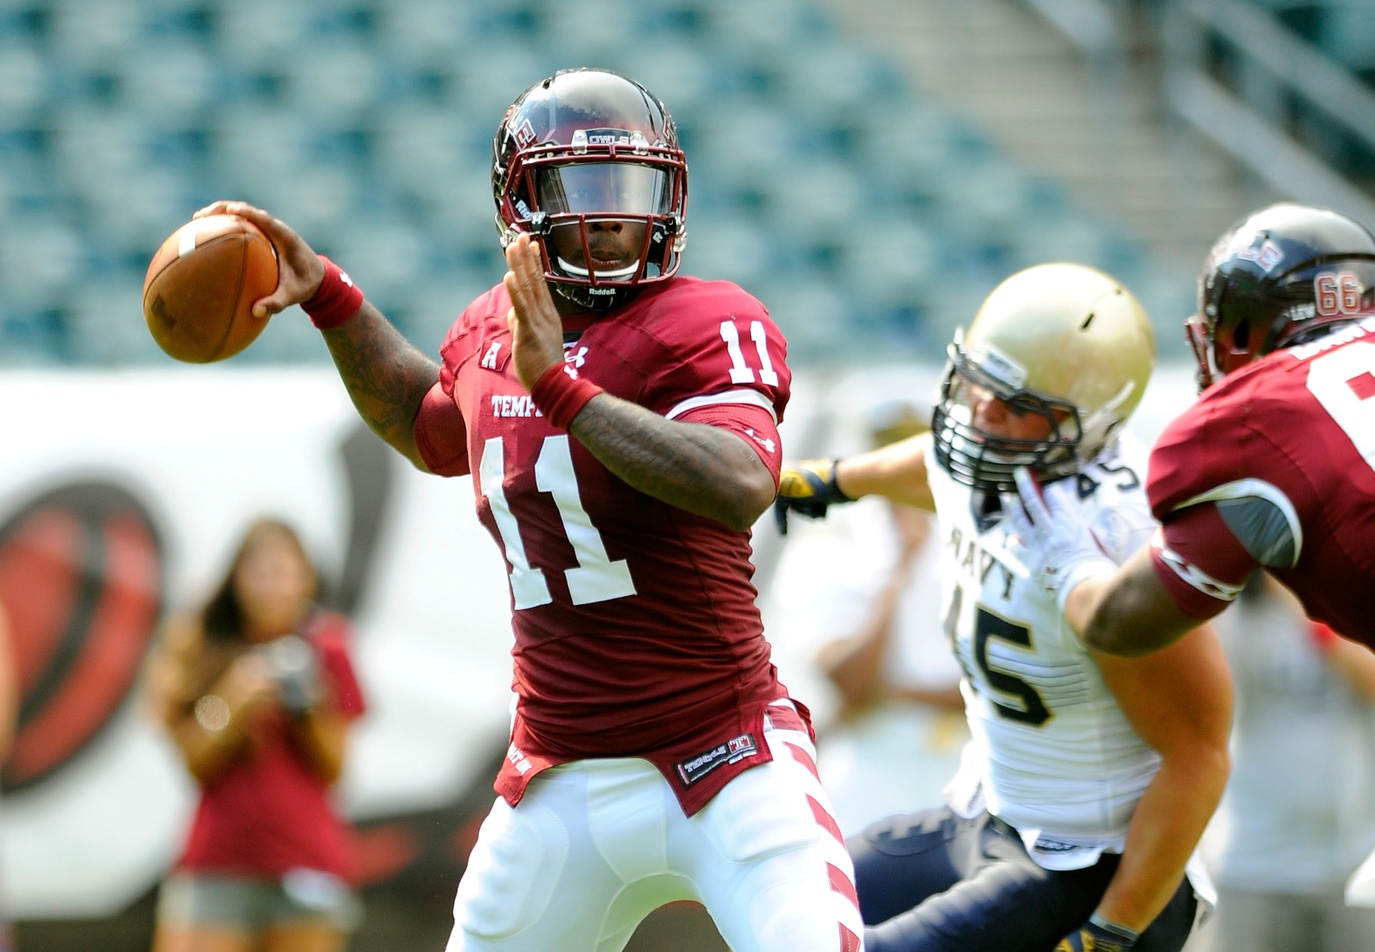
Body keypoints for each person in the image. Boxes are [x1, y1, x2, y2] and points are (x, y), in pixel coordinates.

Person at [194, 67, 864, 952]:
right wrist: (331, 298)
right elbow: (426, 426)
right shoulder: (488, 328)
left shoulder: (705, 321)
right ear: (520, 200)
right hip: (557, 776)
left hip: (724, 755)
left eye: (630, 186)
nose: (611, 213)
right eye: (580, 186)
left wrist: (563, 388)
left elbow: (740, 482)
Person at [774, 262, 1233, 951]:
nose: (982, 415)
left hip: (1086, 864)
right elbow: (936, 466)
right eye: (980, 386)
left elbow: (1198, 755)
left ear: (1087, 426)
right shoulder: (1001, 452)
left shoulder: (1115, 545)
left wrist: (1112, 929)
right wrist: (835, 479)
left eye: (1015, 404)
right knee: (781, 908)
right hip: (983, 818)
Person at [145, 517, 366, 952]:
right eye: (263, 572)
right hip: (218, 864)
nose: (275, 585)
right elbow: (193, 760)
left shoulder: (326, 648)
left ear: (307, 581)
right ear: (236, 580)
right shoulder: (203, 645)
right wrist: (231, 702)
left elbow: (336, 766)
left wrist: (308, 704)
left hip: (306, 863)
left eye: (286, 572)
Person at [765, 400, 966, 838]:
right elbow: (853, 684)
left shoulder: (975, 535)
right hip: (870, 790)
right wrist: (900, 567)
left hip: (966, 783)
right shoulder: (828, 546)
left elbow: (1004, 687)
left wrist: (894, 694)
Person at [1185, 574, 1375, 952]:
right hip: (1252, 864)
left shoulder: (1358, 602)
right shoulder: (1238, 606)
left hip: (1355, 868)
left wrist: (1305, 604)